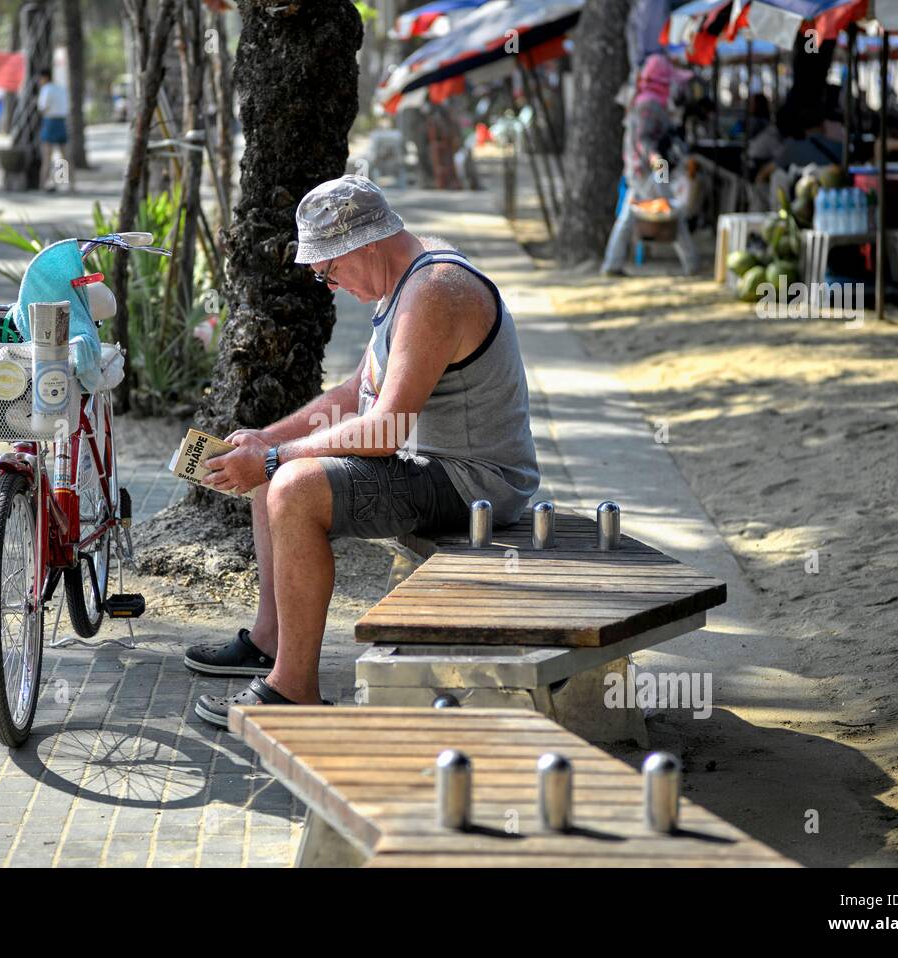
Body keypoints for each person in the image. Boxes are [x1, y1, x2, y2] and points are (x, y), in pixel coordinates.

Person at [183, 174, 541, 729]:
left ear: (364, 244)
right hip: (432, 466)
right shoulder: (402, 277)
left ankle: (292, 691)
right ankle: (270, 641)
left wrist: (278, 460)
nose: (328, 285)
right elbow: (354, 395)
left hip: (476, 484)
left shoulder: (433, 292)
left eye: (328, 270)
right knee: (270, 474)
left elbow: (385, 427)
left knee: (294, 488)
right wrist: (267, 441)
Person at [601, 54, 697, 277]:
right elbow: (644, 140)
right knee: (672, 208)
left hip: (638, 170)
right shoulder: (650, 104)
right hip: (652, 169)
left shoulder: (641, 99)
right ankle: (691, 262)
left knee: (628, 216)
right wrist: (657, 161)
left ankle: (612, 263)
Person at [36, 69, 73, 193]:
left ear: (45, 78)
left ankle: (44, 184)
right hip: (62, 122)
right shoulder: (61, 89)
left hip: (50, 121)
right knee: (64, 156)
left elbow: (43, 107)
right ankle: (69, 184)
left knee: (47, 156)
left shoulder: (46, 89)